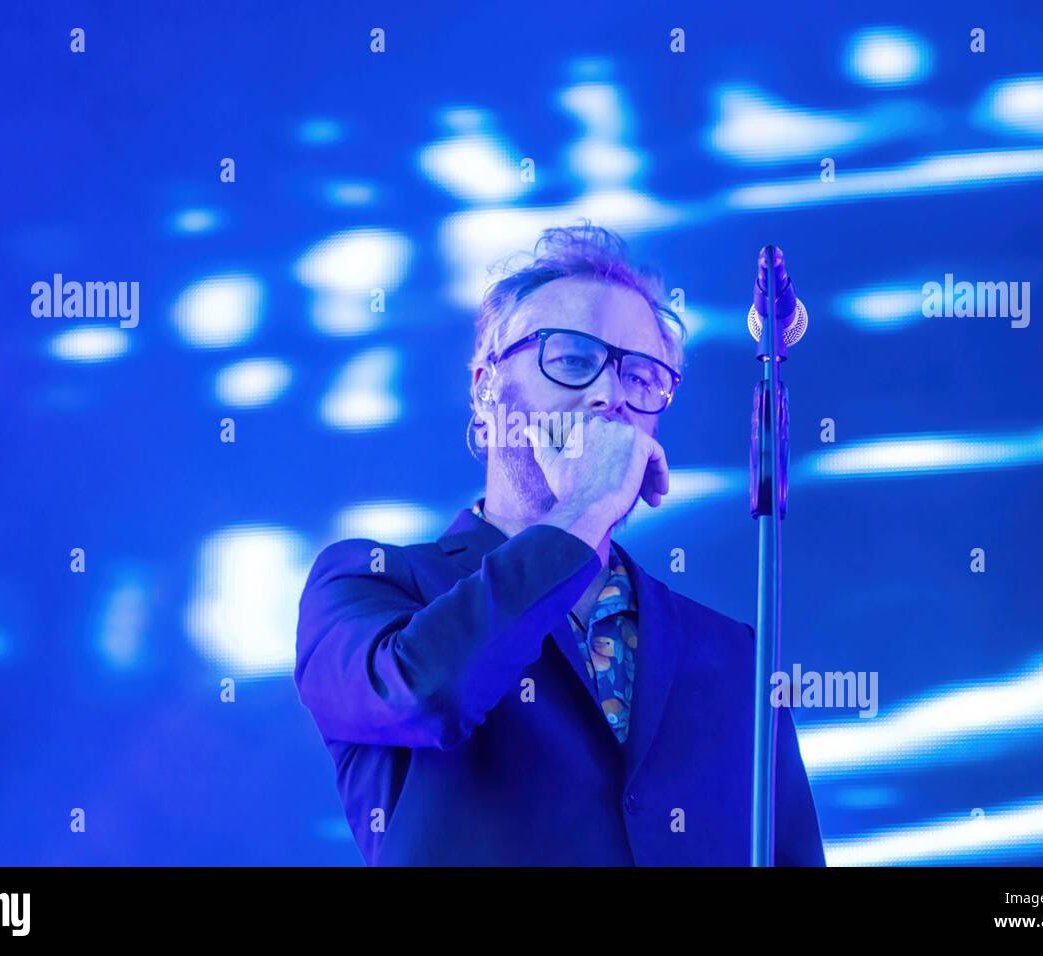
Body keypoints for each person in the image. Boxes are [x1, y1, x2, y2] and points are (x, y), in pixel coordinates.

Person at [294, 224, 825, 865]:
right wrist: (585, 508)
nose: (608, 396)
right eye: (573, 359)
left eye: (641, 377)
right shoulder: (370, 583)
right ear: (486, 386)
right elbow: (428, 694)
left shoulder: (736, 654)